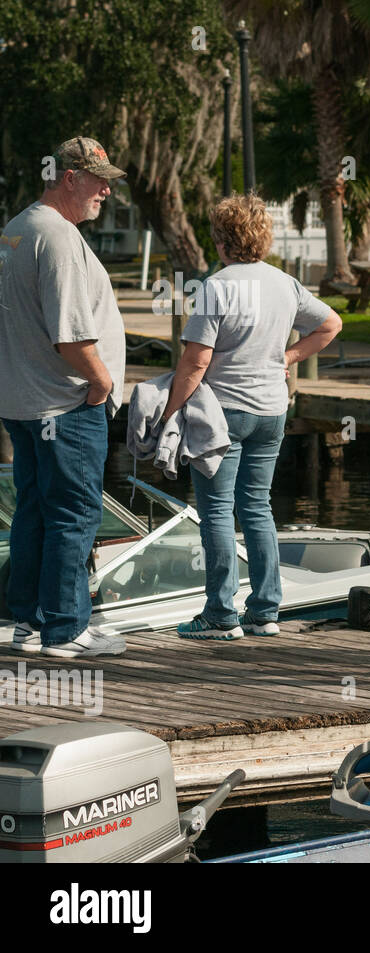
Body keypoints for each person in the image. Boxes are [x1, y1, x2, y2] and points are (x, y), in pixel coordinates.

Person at [163, 194, 342, 639]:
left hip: (223, 413)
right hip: (272, 411)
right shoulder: (284, 282)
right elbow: (331, 324)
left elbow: (195, 362)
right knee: (257, 508)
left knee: (218, 511)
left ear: (222, 239)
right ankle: (265, 612)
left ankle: (220, 615)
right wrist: (291, 356)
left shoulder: (216, 286)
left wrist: (169, 412)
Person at [0, 137, 128, 658]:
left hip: (22, 400)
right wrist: (101, 384)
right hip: (66, 402)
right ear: (69, 178)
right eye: (98, 180)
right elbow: (72, 336)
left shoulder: (15, 229)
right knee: (75, 515)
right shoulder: (59, 238)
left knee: (33, 511)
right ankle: (66, 629)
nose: (105, 191)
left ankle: (28, 623)